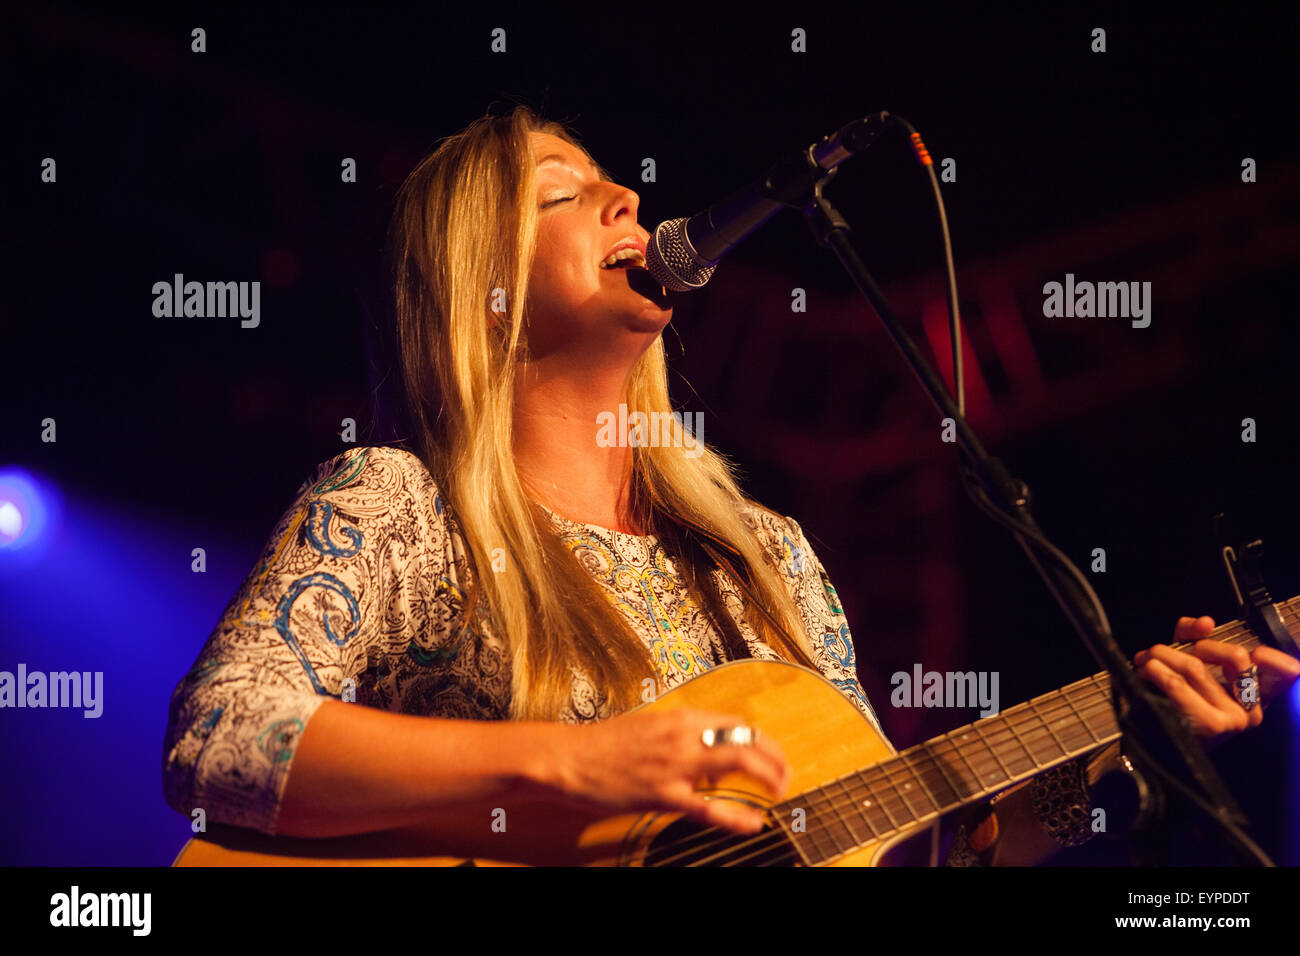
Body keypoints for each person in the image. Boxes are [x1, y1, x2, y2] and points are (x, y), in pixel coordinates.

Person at [162, 105, 1300, 865]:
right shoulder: (400, 503)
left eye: (615, 179)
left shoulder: (765, 555)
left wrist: (1116, 760)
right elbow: (218, 737)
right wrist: (572, 760)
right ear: (479, 284)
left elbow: (901, 847)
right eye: (562, 192)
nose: (623, 198)